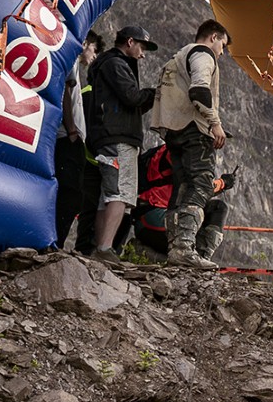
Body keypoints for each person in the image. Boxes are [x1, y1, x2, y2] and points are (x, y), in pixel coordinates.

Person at [150, 19, 230, 269]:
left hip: (173, 130)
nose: (222, 52)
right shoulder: (203, 54)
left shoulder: (175, 59)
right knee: (202, 183)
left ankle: (177, 248)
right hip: (195, 129)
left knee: (182, 186)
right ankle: (186, 249)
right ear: (213, 37)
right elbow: (199, 90)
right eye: (223, 45)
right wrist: (214, 123)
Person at [85, 25, 158, 261]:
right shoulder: (116, 64)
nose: (143, 54)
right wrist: (157, 94)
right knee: (120, 193)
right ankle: (105, 249)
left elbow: (131, 101)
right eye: (142, 47)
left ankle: (100, 247)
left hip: (106, 136)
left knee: (107, 195)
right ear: (129, 42)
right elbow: (132, 97)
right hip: (119, 137)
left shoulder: (105, 65)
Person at [131, 141, 233, 263]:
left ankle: (200, 258)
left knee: (217, 207)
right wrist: (222, 183)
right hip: (154, 215)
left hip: (153, 216)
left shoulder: (170, 149)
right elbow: (199, 185)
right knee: (196, 217)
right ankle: (186, 258)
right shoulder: (179, 152)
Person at [53, 31, 103, 252]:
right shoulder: (71, 59)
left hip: (69, 136)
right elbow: (66, 91)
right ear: (86, 44)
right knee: (71, 193)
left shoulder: (72, 61)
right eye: (94, 50)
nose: (94, 56)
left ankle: (56, 242)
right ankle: (55, 242)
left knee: (72, 194)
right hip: (68, 137)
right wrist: (72, 129)